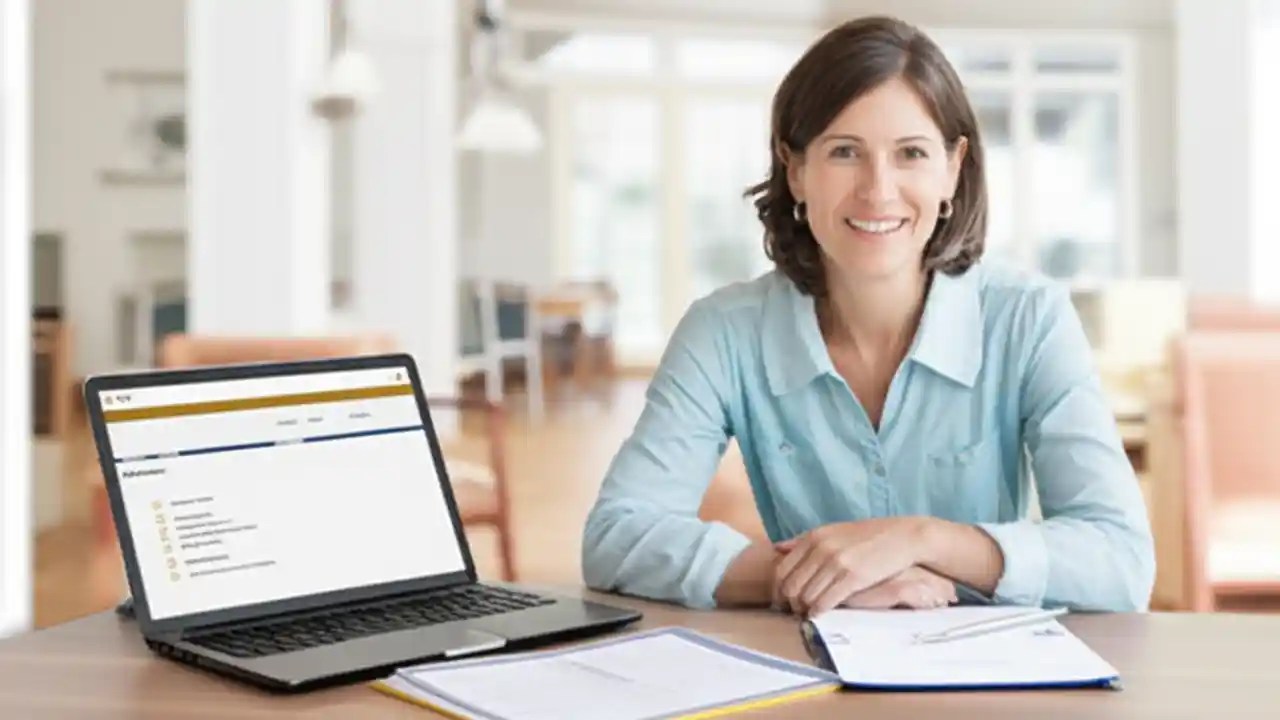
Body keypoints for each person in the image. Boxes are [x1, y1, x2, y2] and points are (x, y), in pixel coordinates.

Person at [581, 16, 1155, 616]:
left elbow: (1120, 560)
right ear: (796, 169)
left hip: (991, 682)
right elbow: (617, 534)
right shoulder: (724, 331)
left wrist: (921, 539)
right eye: (845, 152)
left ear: (952, 169)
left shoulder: (1030, 319)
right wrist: (811, 578)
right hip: (810, 674)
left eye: (910, 153)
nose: (878, 191)